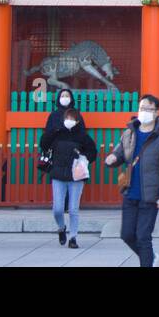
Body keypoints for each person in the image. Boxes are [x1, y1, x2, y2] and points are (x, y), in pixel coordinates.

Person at [104, 94, 159, 268]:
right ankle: (149, 257)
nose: (144, 112)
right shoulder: (129, 133)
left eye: (148, 109)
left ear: (157, 112)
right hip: (130, 192)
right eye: (141, 108)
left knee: (143, 237)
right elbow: (120, 153)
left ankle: (147, 261)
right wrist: (112, 157)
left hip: (150, 196)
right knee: (127, 234)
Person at [37, 105, 97, 249]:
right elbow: (43, 144)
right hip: (58, 174)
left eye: (72, 118)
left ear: (77, 121)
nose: (69, 120)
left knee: (73, 208)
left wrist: (83, 158)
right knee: (57, 208)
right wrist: (52, 130)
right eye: (67, 118)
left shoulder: (82, 136)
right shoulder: (57, 133)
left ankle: (73, 237)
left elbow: (92, 152)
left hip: (76, 175)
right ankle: (61, 227)